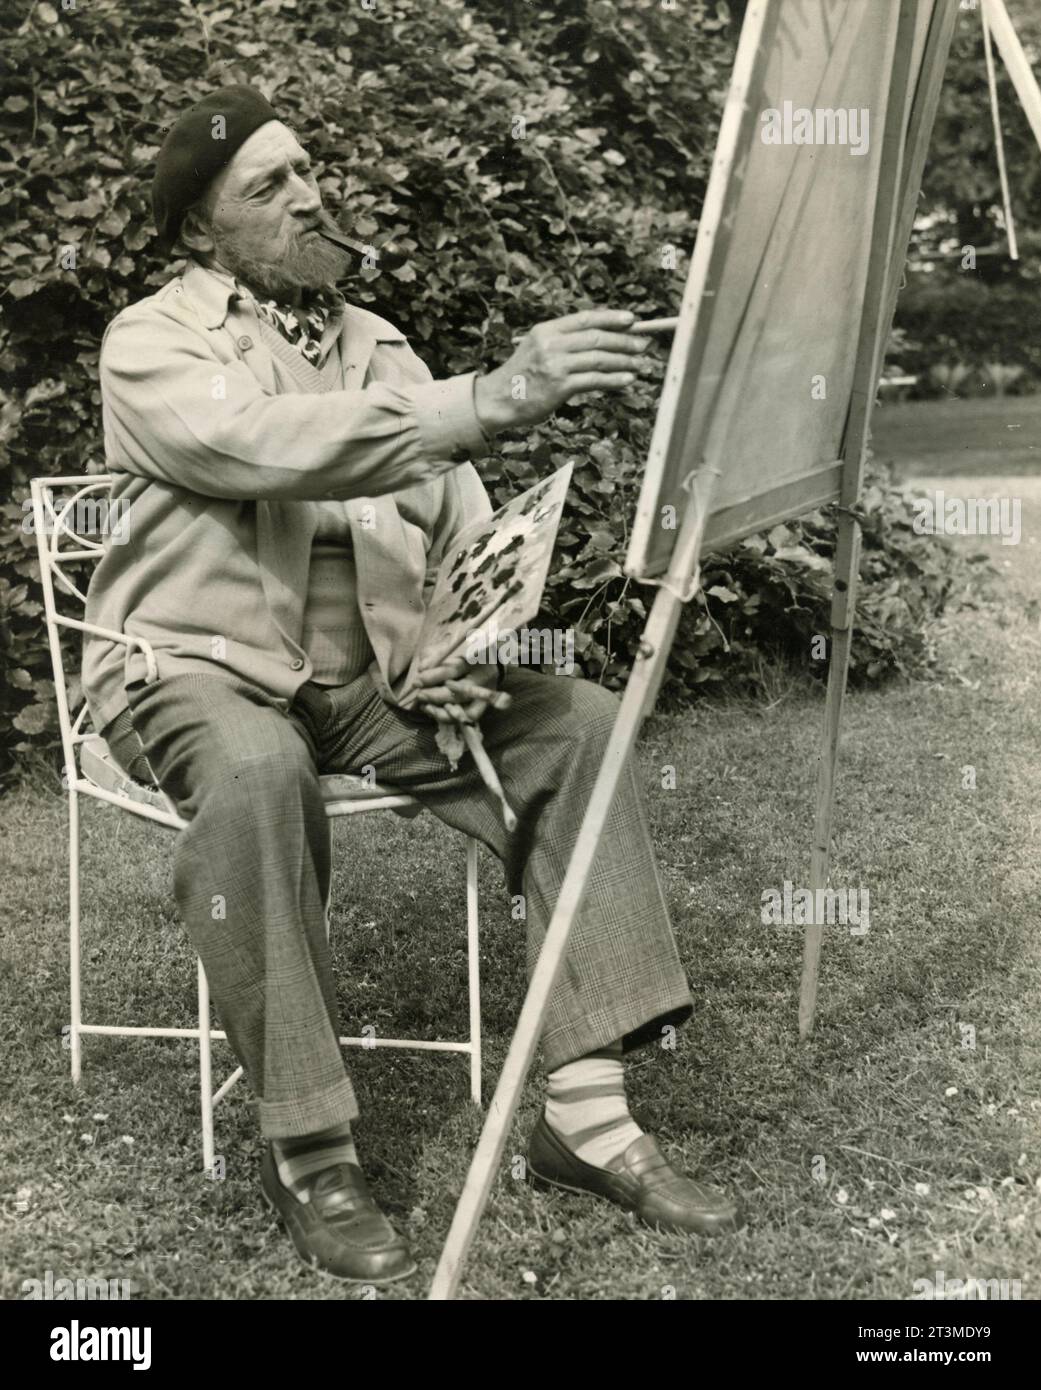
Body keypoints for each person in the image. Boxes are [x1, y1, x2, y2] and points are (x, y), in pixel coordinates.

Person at [84, 85, 742, 1285]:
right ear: (199, 233)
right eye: (266, 186)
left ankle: (585, 1114)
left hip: (371, 685)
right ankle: (313, 1150)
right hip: (193, 669)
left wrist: (467, 640)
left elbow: (462, 533)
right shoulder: (152, 339)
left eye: (309, 169)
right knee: (253, 764)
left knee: (577, 719)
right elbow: (261, 446)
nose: (308, 193)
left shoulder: (381, 341)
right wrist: (491, 397)